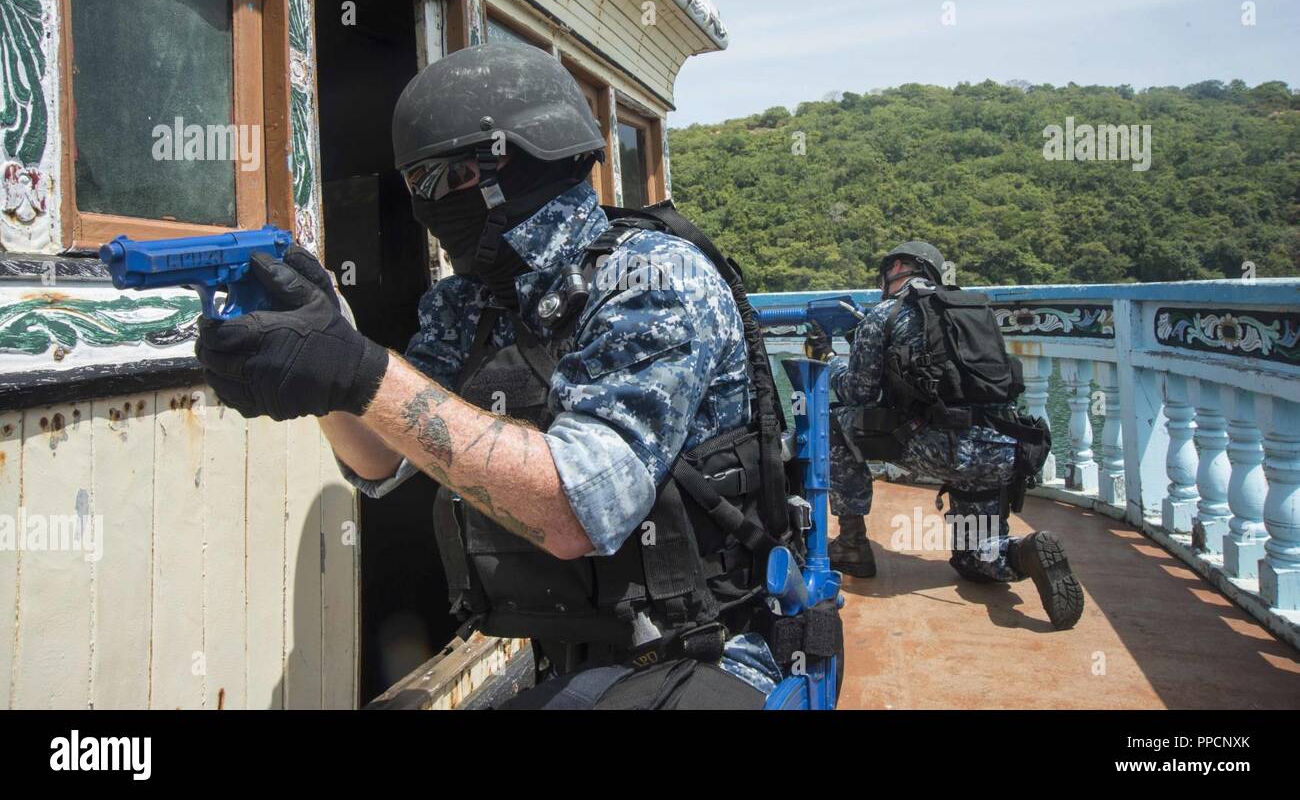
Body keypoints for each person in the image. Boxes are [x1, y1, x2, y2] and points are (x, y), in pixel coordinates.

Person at [194, 43, 796, 708]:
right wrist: (326, 358)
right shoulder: (471, 301)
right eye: (416, 185)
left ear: (526, 157)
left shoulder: (653, 279)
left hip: (711, 653)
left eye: (445, 179)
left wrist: (360, 369)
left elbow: (577, 511)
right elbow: (379, 458)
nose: (427, 205)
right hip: (576, 661)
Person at [805, 242, 1085, 630]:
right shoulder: (971, 312)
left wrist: (829, 360)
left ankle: (852, 545)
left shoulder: (886, 313)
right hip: (1000, 451)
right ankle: (1024, 552)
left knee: (837, 421)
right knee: (976, 561)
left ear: (898, 267)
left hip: (941, 449)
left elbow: (858, 392)